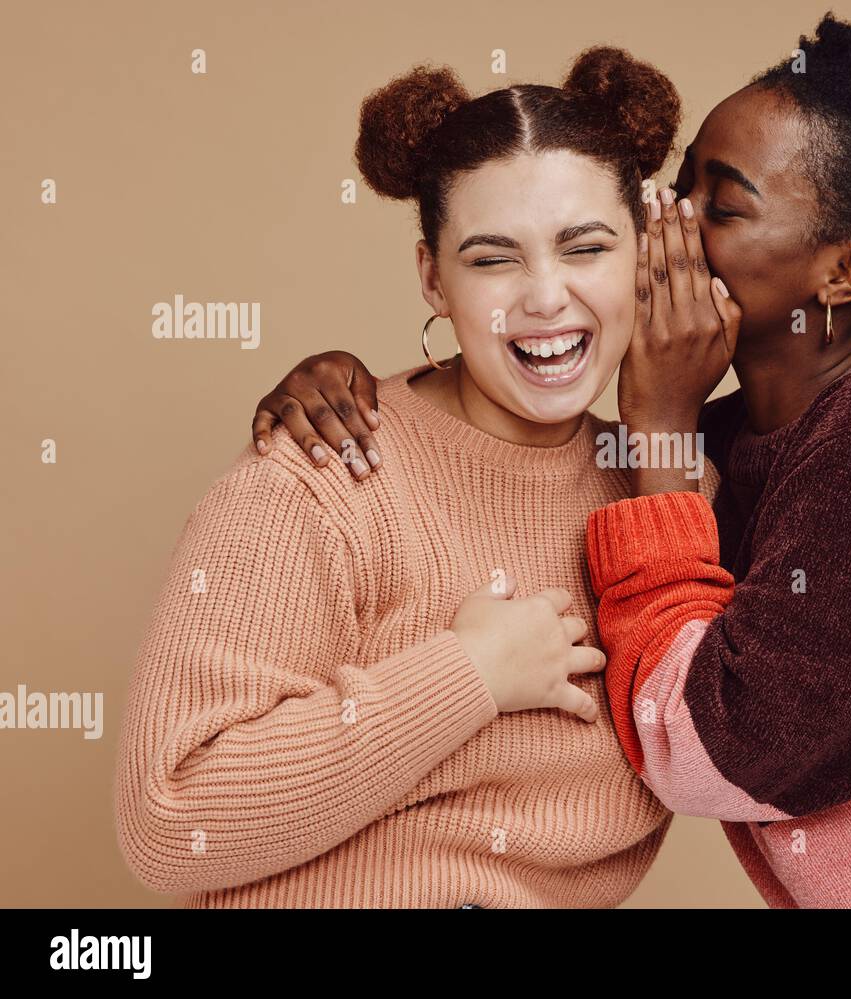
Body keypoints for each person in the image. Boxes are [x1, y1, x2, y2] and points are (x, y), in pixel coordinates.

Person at [242, 10, 851, 907]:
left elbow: (723, 750)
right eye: (675, 187)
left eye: (723, 206)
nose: (666, 224)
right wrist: (336, 379)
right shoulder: (705, 453)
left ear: (842, 273)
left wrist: (661, 430)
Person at [114, 47, 710, 909]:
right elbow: (169, 823)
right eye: (492, 258)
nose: (545, 297)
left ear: (646, 251)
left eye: (585, 246)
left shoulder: (672, 496)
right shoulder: (323, 470)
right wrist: (465, 673)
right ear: (433, 276)